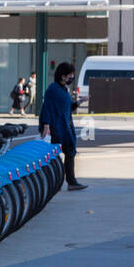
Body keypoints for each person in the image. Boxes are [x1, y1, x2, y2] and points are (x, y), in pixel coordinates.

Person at [40, 61, 85, 190]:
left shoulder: (64, 89)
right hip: (56, 127)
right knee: (54, 155)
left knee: (70, 151)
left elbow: (69, 106)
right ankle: (54, 181)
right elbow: (47, 108)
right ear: (63, 76)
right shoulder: (53, 89)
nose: (71, 78)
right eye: (70, 75)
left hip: (65, 126)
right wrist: (46, 125)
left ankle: (71, 181)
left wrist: (80, 101)